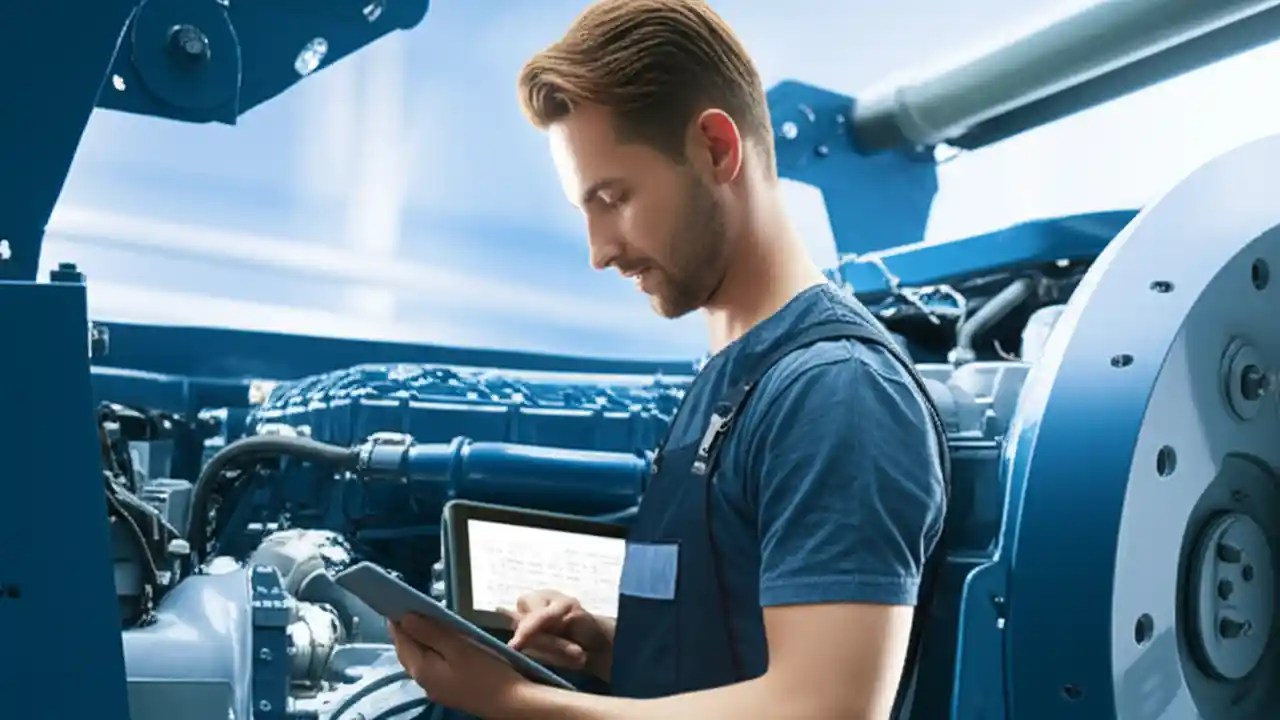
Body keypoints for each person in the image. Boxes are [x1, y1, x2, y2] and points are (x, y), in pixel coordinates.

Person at [388, 1, 949, 717]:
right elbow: (731, 650)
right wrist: (604, 644)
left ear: (716, 149)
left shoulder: (837, 394)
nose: (599, 251)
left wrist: (516, 702)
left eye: (613, 198)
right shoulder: (732, 376)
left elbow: (823, 708)